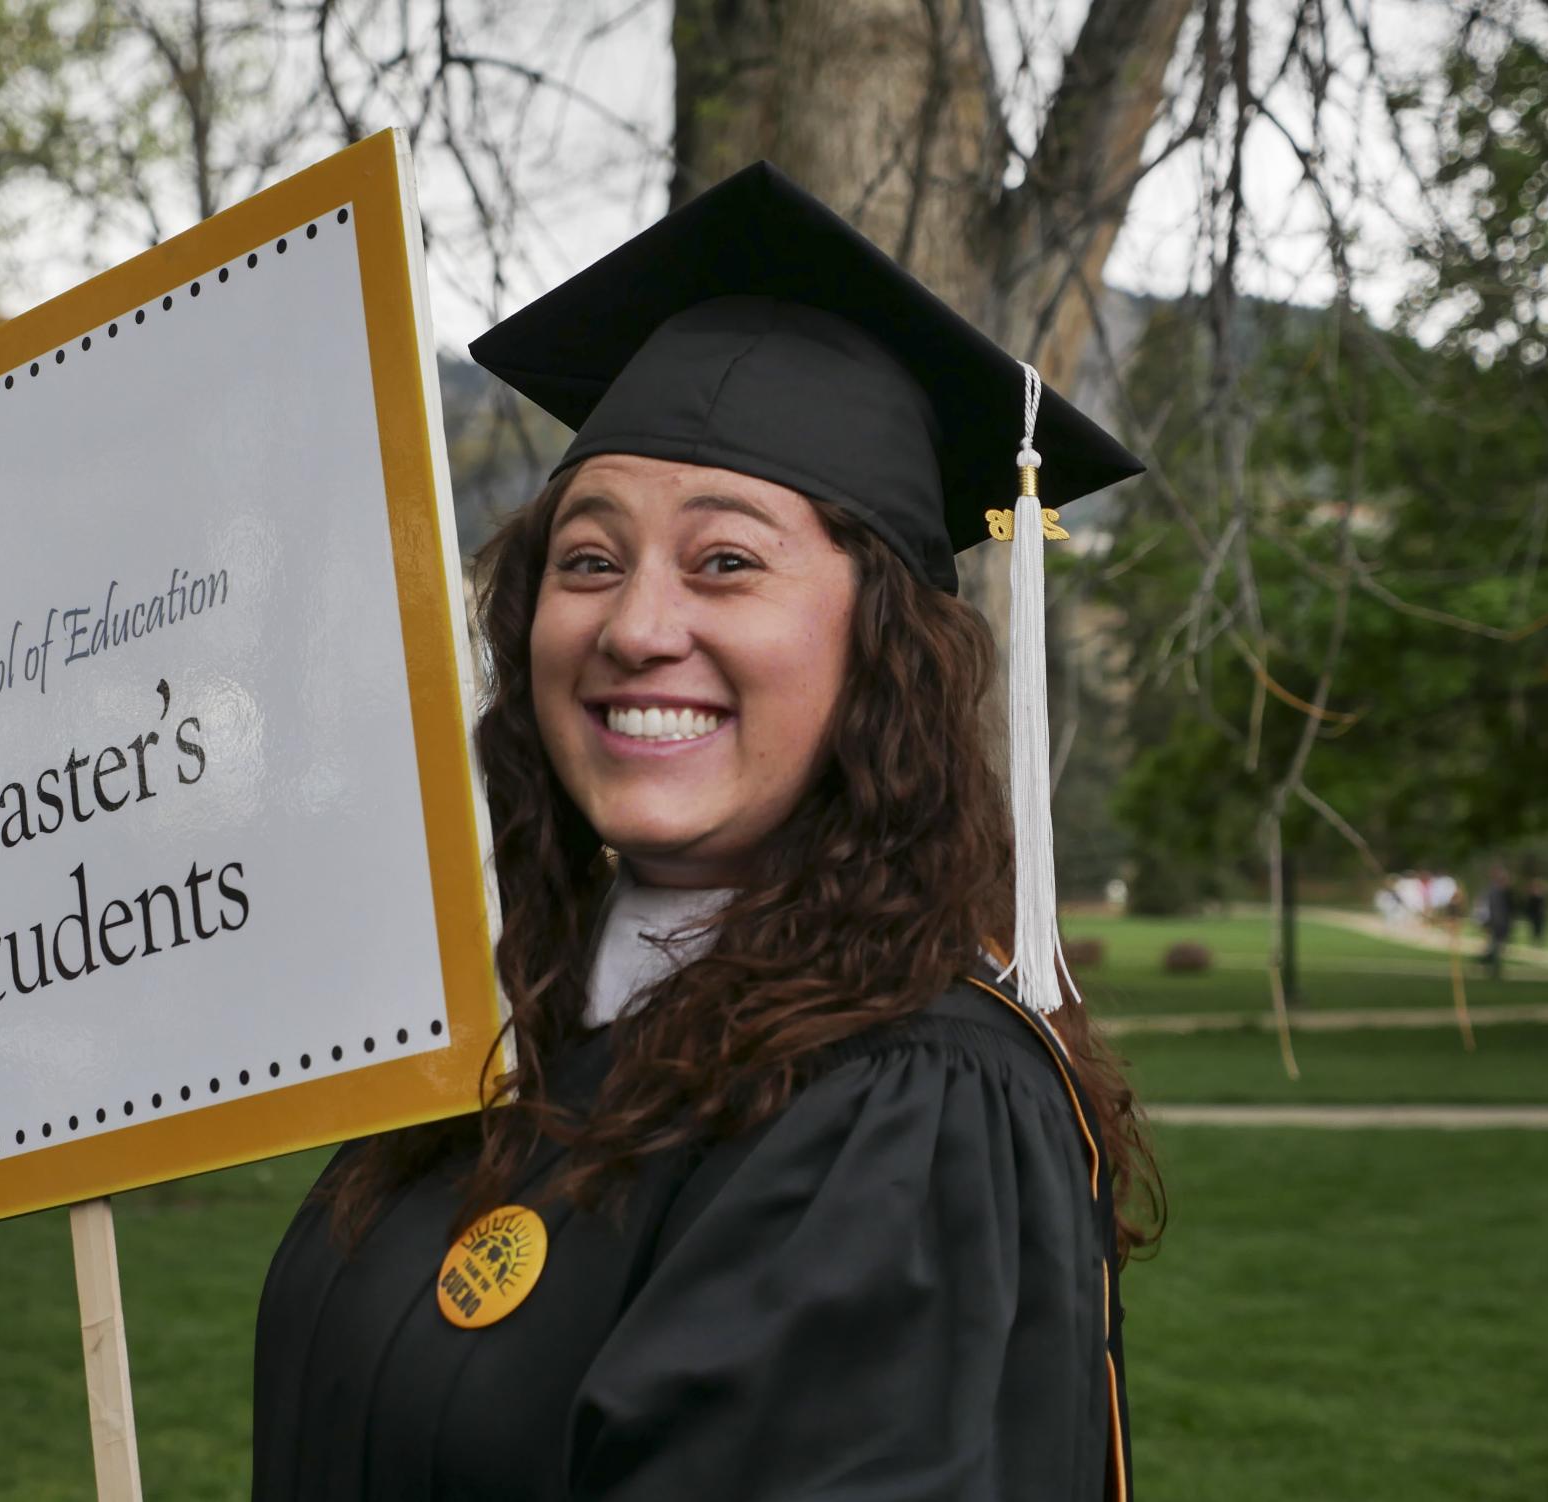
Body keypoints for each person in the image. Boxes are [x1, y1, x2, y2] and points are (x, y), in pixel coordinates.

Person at [252, 163, 1160, 1500]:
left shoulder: (909, 1111)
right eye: (590, 559)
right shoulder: (507, 1029)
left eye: (725, 560)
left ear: (881, 649)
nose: (633, 626)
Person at [1478, 863, 1514, 978]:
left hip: (1502, 923)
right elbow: (1485, 908)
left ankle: (1492, 965)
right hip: (1495, 923)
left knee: (1498, 947)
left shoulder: (1505, 892)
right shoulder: (1492, 891)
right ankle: (1493, 967)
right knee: (1495, 946)